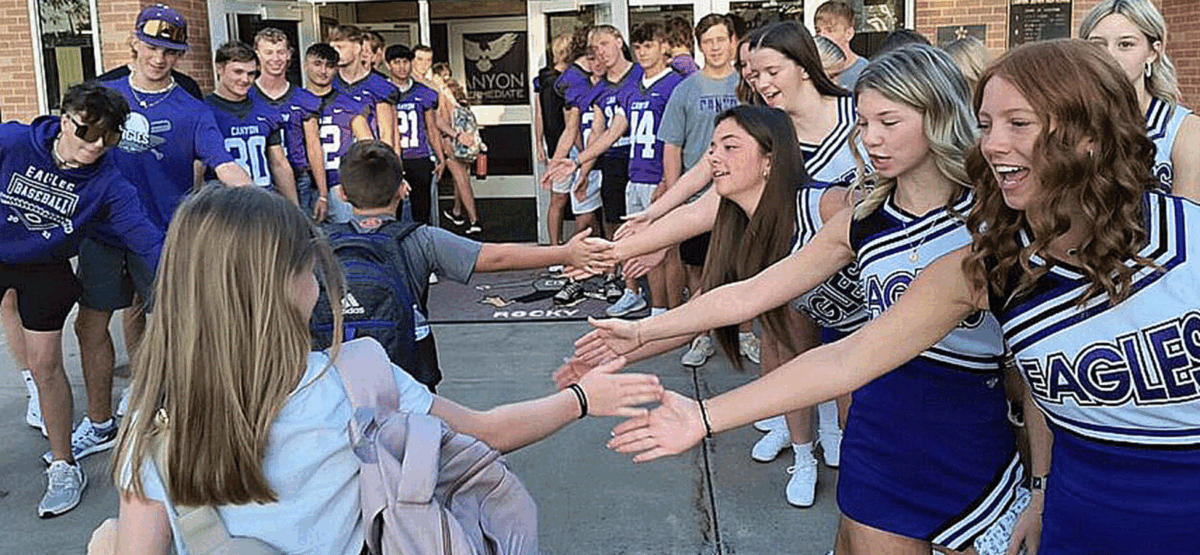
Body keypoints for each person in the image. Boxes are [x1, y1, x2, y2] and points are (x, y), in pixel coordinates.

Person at [609, 38, 1199, 555]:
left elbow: (1027, 391)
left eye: (1017, 124)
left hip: (994, 462)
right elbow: (847, 355)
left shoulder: (1186, 236)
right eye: (987, 124)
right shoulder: (986, 261)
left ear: (1090, 133)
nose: (993, 144)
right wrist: (702, 412)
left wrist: (1036, 487)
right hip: (1063, 510)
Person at [593, 44, 1022, 554]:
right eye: (863, 124)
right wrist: (644, 330)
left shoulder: (994, 219)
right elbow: (751, 293)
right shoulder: (865, 217)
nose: (874, 139)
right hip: (878, 434)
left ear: (938, 115)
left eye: (890, 121)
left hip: (969, 441)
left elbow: (846, 357)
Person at [107, 184, 653, 554]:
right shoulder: (354, 378)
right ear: (294, 283)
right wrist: (581, 398)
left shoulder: (149, 413)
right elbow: (490, 433)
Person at [595, 21, 863, 472]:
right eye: (754, 74)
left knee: (852, 386)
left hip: (861, 292)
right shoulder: (764, 132)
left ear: (803, 67)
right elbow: (705, 196)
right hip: (800, 277)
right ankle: (800, 440)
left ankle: (832, 438)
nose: (760, 82)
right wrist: (648, 224)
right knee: (789, 349)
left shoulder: (859, 127)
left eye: (770, 71)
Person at [78, 3, 250, 470]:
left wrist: (261, 203)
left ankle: (168, 414)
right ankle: (98, 423)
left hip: (164, 235)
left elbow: (224, 164)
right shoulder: (102, 94)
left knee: (172, 329)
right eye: (152, 47)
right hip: (102, 231)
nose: (158, 58)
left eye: (170, 51)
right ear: (133, 41)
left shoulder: (193, 110)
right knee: (91, 325)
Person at [1, 83, 164, 517]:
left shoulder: (108, 183)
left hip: (42, 265)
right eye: (86, 133)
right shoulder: (15, 141)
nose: (94, 146)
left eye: (108, 138)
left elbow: (148, 240)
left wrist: (195, 269)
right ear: (64, 118)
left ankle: (64, 465)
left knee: (46, 364)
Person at [331, 140, 608, 390]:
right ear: (403, 189)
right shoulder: (422, 239)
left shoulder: (319, 243)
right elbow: (498, 257)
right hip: (405, 377)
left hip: (337, 377)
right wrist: (565, 253)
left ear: (342, 193)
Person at [656, 14, 743, 367]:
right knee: (698, 269)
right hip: (698, 196)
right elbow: (672, 145)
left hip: (741, 196)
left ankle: (746, 332)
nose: (716, 47)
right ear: (699, 45)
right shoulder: (686, 89)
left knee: (743, 267)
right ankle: (700, 336)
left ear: (732, 41)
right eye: (708, 41)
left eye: (721, 39)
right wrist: (675, 195)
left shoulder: (747, 84)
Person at [1079, 0, 1199, 199]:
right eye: (1097, 45)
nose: (1109, 56)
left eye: (1125, 44)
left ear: (1153, 52)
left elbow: (1187, 222)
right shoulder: (1070, 123)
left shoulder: (1185, 131)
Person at [205, 41, 297, 202]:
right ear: (220, 68)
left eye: (251, 73)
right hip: (224, 206)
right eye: (238, 72)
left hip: (263, 202)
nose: (245, 79)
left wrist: (295, 211)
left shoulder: (265, 109)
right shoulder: (203, 111)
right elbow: (198, 167)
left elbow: (279, 164)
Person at [252, 28, 328, 219]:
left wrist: (323, 194)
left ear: (289, 55)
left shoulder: (303, 98)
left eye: (280, 52)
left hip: (298, 177)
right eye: (269, 52)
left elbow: (313, 146)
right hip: (259, 180)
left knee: (302, 237)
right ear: (257, 54)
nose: (275, 58)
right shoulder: (246, 95)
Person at [304, 43, 374, 224]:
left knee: (347, 242)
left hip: (339, 185)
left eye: (329, 66)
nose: (323, 71)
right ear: (306, 65)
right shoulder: (295, 101)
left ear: (336, 69)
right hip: (302, 183)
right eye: (317, 64)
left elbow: (367, 143)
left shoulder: (349, 104)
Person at [385, 44, 444, 226]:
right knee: (392, 210)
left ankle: (422, 250)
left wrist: (440, 157)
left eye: (405, 62)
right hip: (392, 157)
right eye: (397, 62)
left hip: (418, 156)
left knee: (422, 210)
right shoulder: (382, 91)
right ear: (388, 65)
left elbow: (431, 128)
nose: (402, 67)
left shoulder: (424, 92)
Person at [328, 25, 399, 152]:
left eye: (340, 47)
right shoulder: (327, 83)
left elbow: (387, 134)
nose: (335, 52)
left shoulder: (380, 86)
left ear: (357, 48)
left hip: (367, 161)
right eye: (332, 48)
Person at [536, 32, 573, 246]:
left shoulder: (546, 78)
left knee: (565, 200)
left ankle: (556, 246)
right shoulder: (552, 81)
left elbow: (539, 114)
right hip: (560, 144)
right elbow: (541, 112)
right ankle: (554, 246)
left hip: (559, 143)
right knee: (559, 199)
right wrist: (540, 144)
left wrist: (540, 143)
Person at [440, 79, 483, 235]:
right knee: (462, 179)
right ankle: (457, 212)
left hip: (452, 143)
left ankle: (474, 220)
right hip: (466, 146)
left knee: (461, 181)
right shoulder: (461, 100)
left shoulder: (443, 98)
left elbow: (442, 121)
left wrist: (445, 141)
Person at [814, 1, 865, 89]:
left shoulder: (864, 72)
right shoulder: (812, 69)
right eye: (818, 30)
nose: (822, 35)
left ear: (849, 34)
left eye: (830, 30)